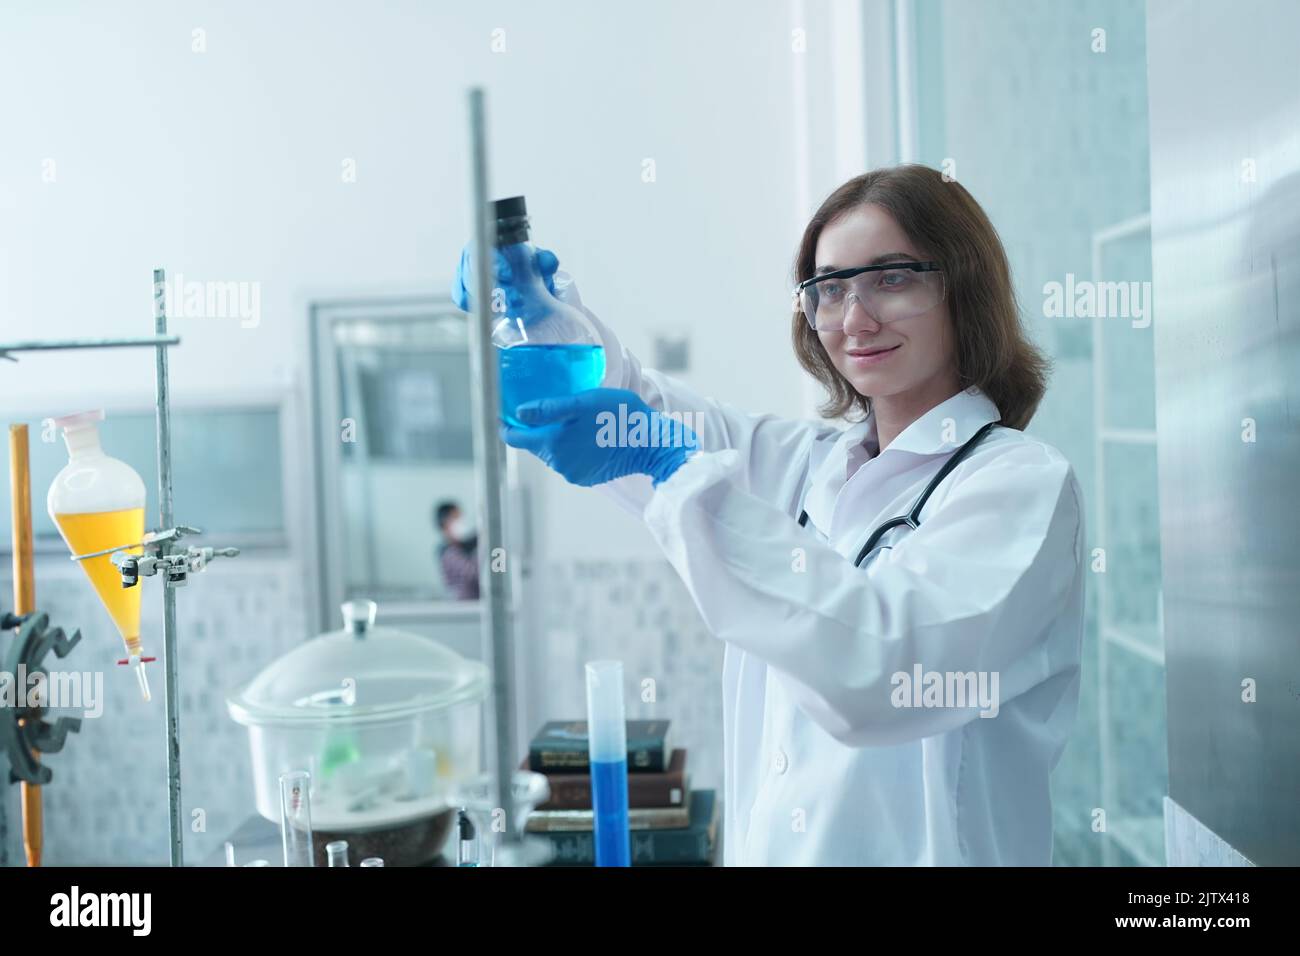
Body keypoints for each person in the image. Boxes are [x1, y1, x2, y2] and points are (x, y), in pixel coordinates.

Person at [454, 165, 1085, 866]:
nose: (855, 318)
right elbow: (635, 401)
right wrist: (534, 310)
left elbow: (883, 673)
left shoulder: (1019, 486)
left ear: (963, 287)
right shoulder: (806, 463)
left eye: (892, 278)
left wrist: (672, 467)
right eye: (830, 287)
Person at [434, 500, 478, 601]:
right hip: (463, 606)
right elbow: (473, 572)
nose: (461, 522)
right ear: (444, 523)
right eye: (456, 518)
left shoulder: (460, 546)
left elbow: (473, 540)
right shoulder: (448, 552)